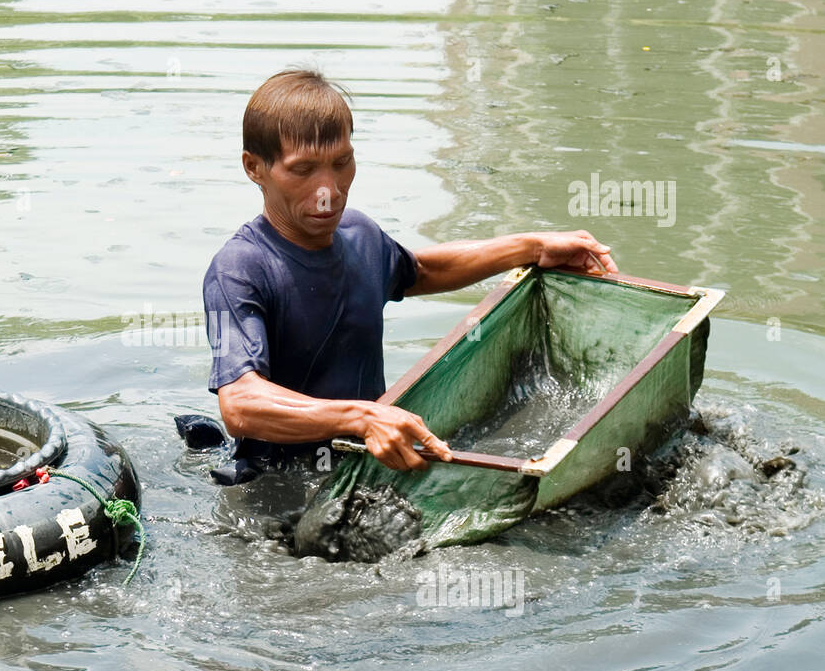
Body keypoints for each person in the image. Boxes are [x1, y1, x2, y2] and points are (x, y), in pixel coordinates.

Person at [203, 68, 618, 480]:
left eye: (342, 163)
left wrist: (532, 247)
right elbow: (240, 403)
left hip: (369, 465)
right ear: (254, 167)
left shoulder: (361, 236)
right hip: (276, 484)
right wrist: (362, 417)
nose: (329, 190)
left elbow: (419, 271)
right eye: (302, 170)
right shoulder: (239, 269)